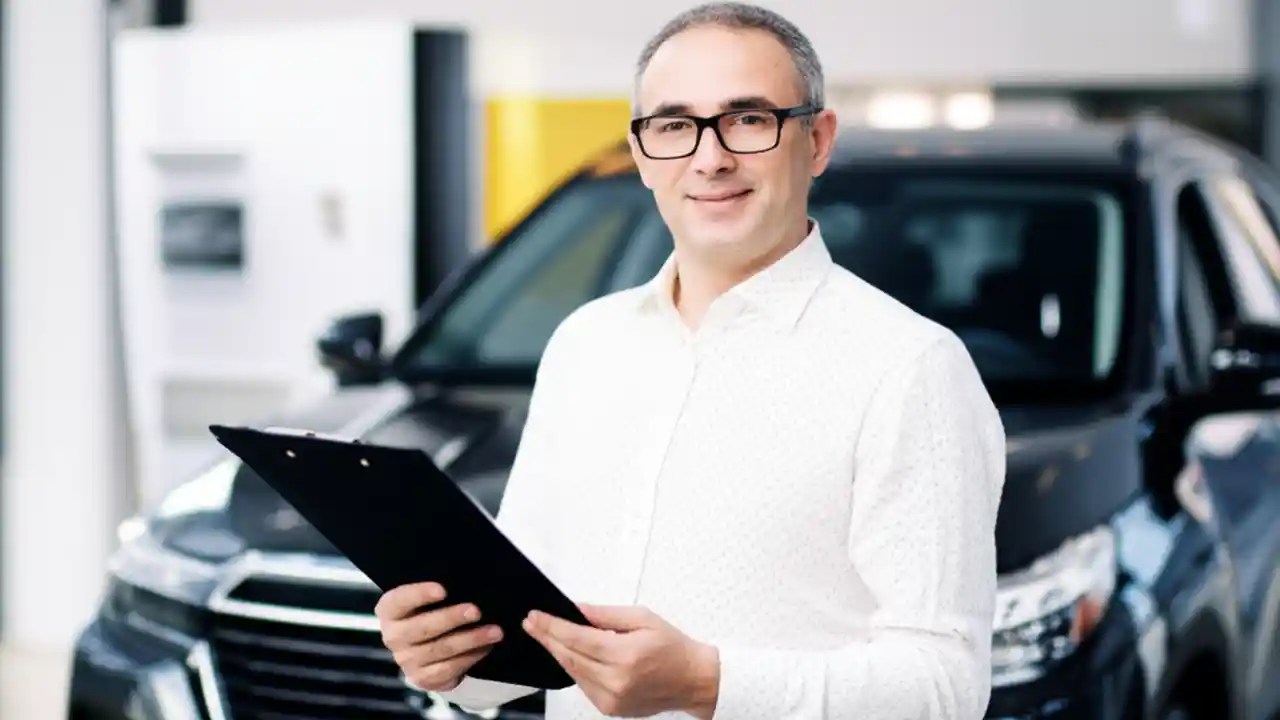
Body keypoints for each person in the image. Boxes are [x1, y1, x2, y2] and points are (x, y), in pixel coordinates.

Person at [375, 3, 1007, 718]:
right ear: (643, 154)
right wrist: (457, 666)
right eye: (675, 126)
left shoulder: (910, 368)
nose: (710, 158)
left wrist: (709, 684)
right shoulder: (586, 345)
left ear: (817, 140)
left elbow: (946, 686)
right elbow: (530, 634)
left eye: (748, 119)